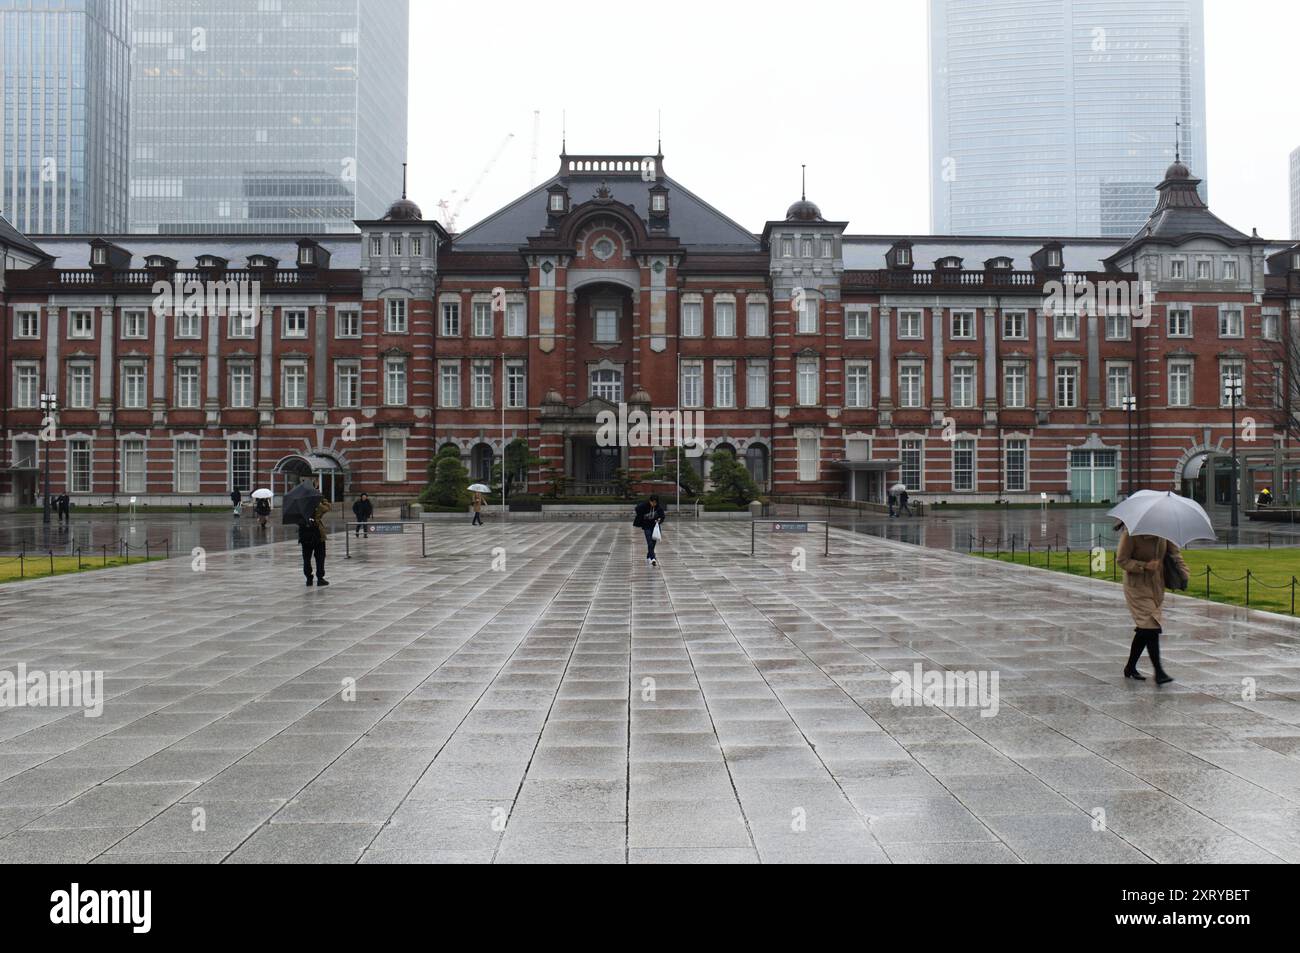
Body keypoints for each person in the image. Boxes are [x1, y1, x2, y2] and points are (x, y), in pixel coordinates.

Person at [1117, 525, 1187, 684]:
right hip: (1137, 587)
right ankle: (1159, 672)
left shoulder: (1165, 532)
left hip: (1156, 585)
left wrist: (1183, 574)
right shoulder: (1131, 534)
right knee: (1151, 626)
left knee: (1145, 629)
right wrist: (1144, 566)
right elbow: (1122, 560)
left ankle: (1130, 667)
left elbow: (1175, 554)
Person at [300, 498, 332, 587]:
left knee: (306, 559)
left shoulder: (300, 508)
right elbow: (327, 508)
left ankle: (308, 579)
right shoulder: (317, 505)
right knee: (320, 557)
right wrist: (322, 499)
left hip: (304, 536)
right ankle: (320, 578)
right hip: (317, 535)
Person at [633, 493, 666, 567]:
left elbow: (662, 516)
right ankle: (653, 558)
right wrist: (641, 518)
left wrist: (659, 520)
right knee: (649, 542)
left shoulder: (658, 508)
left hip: (655, 528)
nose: (653, 504)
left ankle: (648, 556)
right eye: (652, 502)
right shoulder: (644, 506)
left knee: (653, 543)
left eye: (655, 502)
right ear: (649, 501)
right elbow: (637, 509)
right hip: (647, 526)